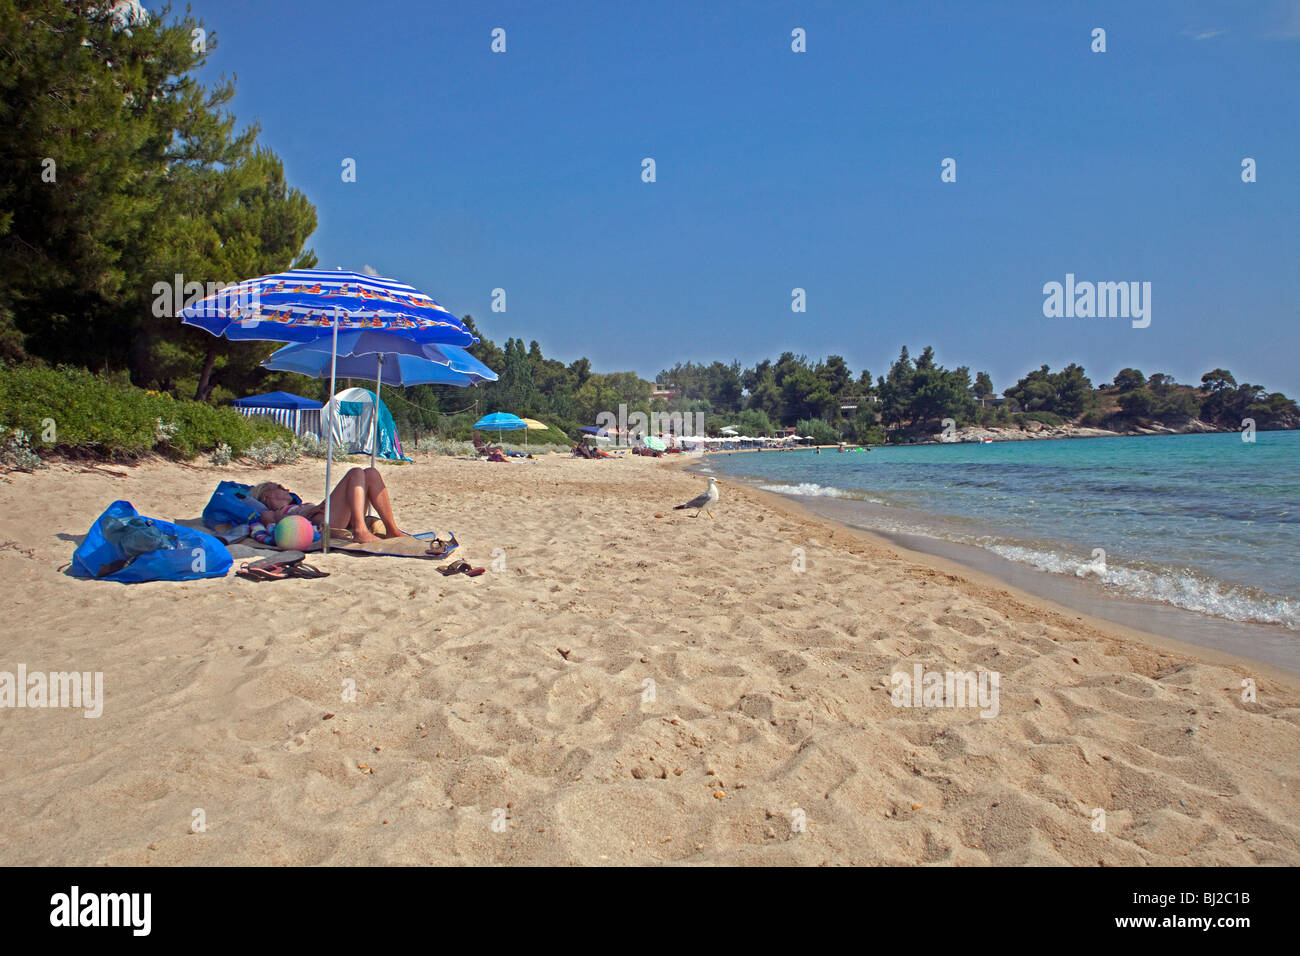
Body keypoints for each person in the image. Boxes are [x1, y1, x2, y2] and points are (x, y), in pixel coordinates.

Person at [250, 467, 405, 544]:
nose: (287, 490)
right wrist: (308, 512)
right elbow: (282, 522)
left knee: (371, 472)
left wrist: (314, 507)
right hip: (328, 524)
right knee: (356, 472)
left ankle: (392, 530)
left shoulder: (301, 504)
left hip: (340, 518)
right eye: (280, 487)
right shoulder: (271, 512)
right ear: (267, 494)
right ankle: (360, 530)